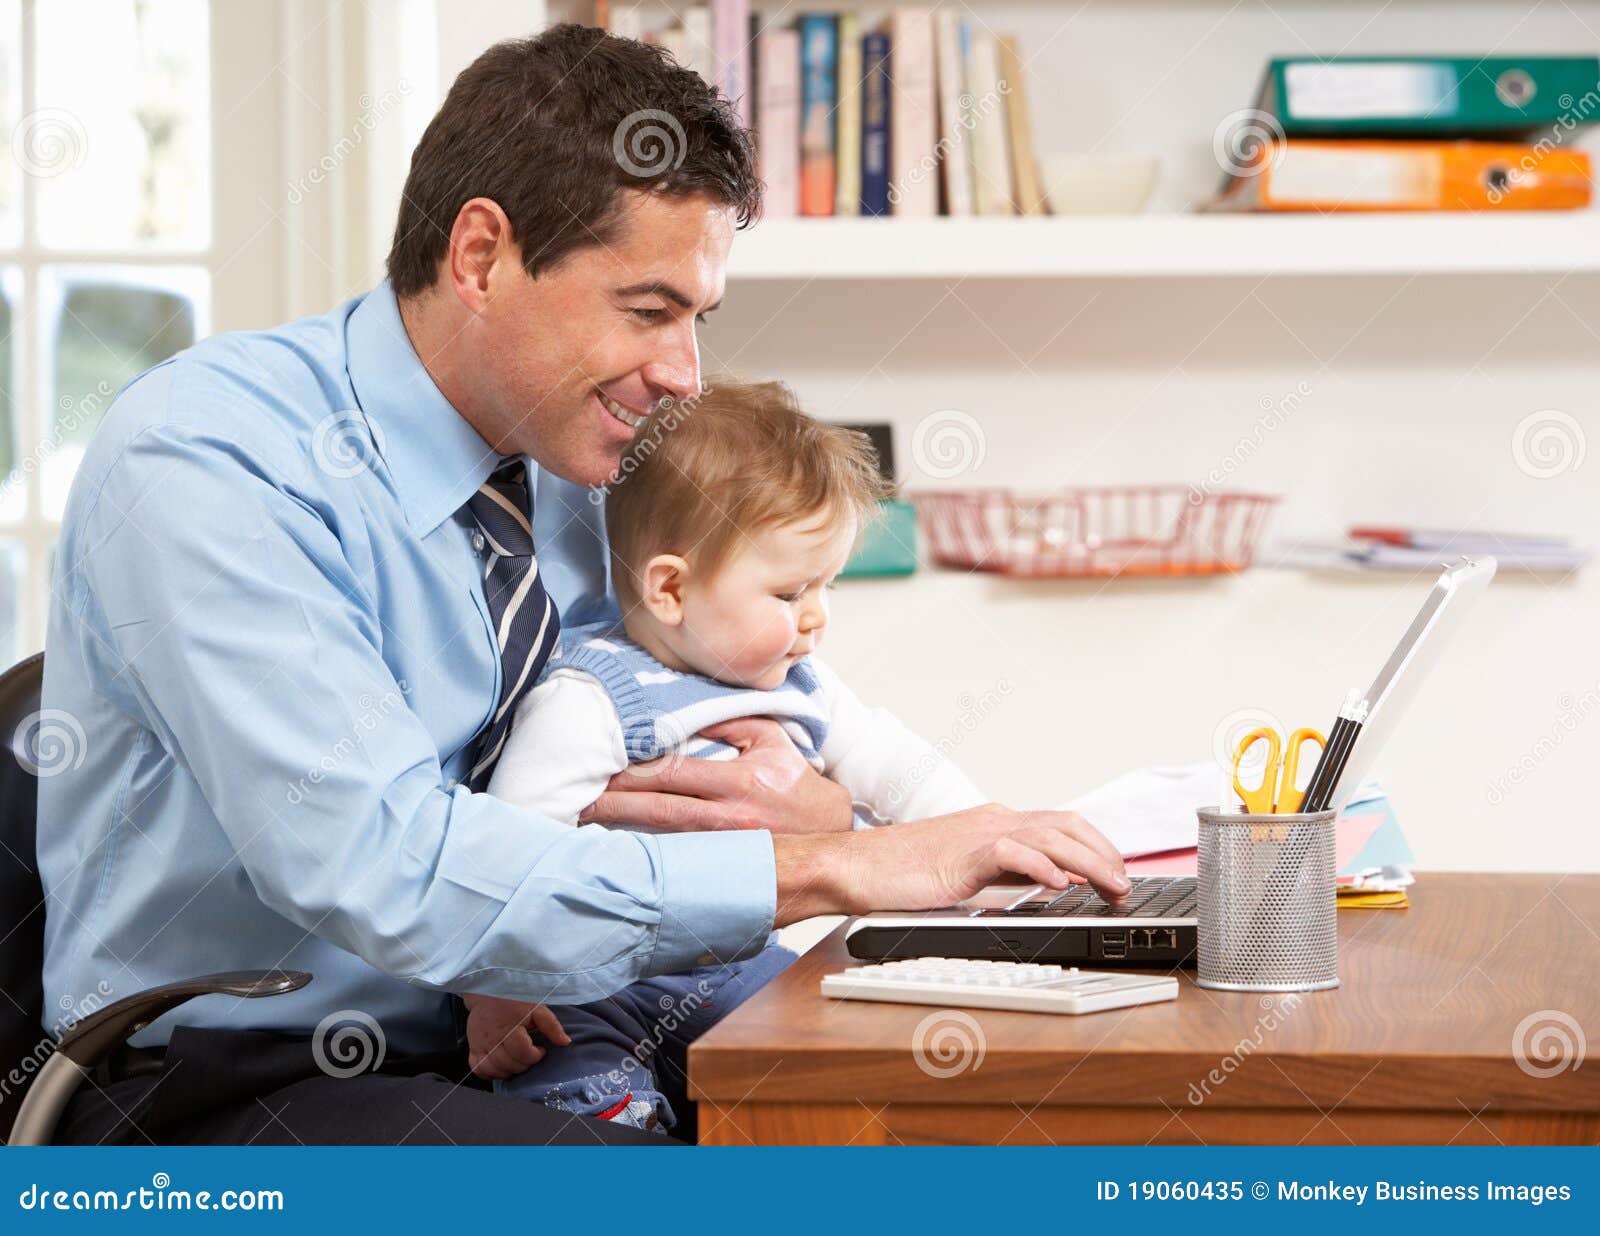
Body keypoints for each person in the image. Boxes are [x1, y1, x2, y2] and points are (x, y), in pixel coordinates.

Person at [37, 25, 1128, 1146]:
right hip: (229, 1074)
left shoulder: (597, 467)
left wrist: (825, 815)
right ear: (480, 258)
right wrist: (830, 865)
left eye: (698, 319)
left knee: (962, 1125)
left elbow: (752, 714)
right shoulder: (215, 459)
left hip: (564, 1023)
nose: (684, 376)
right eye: (647, 311)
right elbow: (383, 867)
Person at [469, 379, 994, 1136]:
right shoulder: (590, 695)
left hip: (737, 971)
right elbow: (510, 848)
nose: (817, 617)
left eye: (826, 586)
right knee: (573, 1087)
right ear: (672, 590)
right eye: (789, 593)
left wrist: (987, 845)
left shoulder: (805, 687)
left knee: (840, 1050)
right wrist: (495, 993)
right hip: (590, 986)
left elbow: (905, 770)